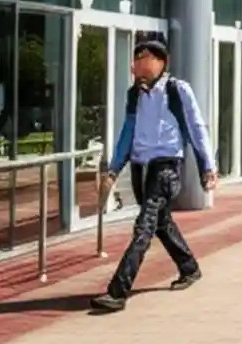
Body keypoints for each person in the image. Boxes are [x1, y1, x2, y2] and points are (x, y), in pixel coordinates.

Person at [91, 41, 217, 312]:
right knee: (161, 222)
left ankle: (118, 291)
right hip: (140, 167)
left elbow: (197, 127)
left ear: (161, 62)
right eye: (137, 60)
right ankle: (189, 267)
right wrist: (113, 169)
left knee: (144, 227)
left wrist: (208, 165)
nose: (138, 65)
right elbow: (128, 131)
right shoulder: (134, 95)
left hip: (165, 167)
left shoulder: (177, 90)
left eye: (144, 58)